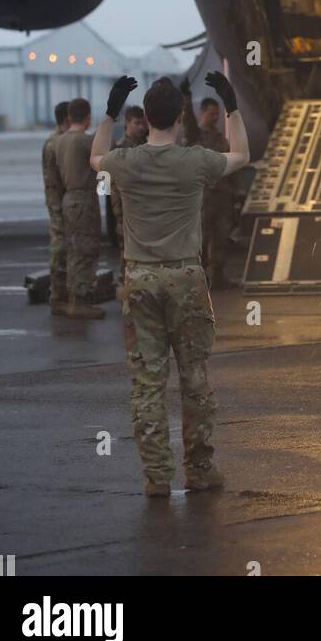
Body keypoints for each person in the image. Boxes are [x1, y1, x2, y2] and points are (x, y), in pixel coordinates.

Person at [91, 71, 250, 498]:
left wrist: (108, 114)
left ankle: (157, 477)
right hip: (185, 276)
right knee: (194, 376)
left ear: (146, 116)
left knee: (147, 381)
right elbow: (241, 155)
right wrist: (232, 105)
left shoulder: (126, 162)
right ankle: (199, 469)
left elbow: (95, 157)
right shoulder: (195, 161)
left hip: (139, 277)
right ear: (181, 115)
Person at [182, 83, 239, 289]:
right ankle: (199, 278)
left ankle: (219, 275)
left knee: (221, 236)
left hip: (222, 196)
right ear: (202, 113)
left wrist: (235, 193)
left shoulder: (220, 139)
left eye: (217, 114)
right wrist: (187, 99)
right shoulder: (195, 136)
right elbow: (188, 122)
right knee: (201, 239)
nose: (215, 118)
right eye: (212, 113)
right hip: (203, 198)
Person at [53, 98, 105, 319]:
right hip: (84, 198)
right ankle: (81, 300)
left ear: (68, 117)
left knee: (74, 249)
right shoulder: (86, 142)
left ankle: (73, 296)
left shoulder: (59, 141)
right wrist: (107, 191)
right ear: (88, 117)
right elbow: (102, 169)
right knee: (87, 249)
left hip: (68, 198)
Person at [42, 101, 70, 316]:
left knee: (67, 248)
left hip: (63, 200)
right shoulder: (55, 143)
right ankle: (57, 296)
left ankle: (64, 293)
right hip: (58, 201)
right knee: (59, 247)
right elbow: (53, 181)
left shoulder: (59, 141)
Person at [108, 106, 148, 257]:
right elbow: (106, 185)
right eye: (137, 123)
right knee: (127, 258)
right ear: (127, 123)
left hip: (143, 212)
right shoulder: (119, 149)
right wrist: (117, 214)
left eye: (143, 123)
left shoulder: (144, 146)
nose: (141, 127)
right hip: (126, 213)